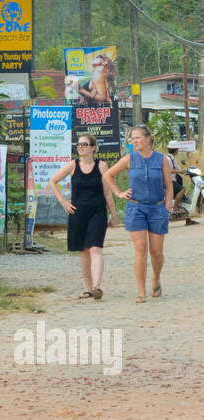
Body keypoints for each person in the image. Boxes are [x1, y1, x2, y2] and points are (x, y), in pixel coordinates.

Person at [103, 124, 173, 303]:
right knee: (141, 249)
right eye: (132, 138)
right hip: (136, 208)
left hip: (157, 208)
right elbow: (108, 175)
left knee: (156, 252)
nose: (134, 141)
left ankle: (156, 280)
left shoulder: (162, 159)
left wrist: (167, 207)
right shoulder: (129, 159)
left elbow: (169, 185)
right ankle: (141, 291)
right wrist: (119, 193)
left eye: (137, 137)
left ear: (148, 138)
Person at [49, 134, 116, 299]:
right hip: (78, 213)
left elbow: (107, 193)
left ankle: (97, 286)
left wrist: (113, 214)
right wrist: (64, 202)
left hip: (97, 212)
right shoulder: (73, 166)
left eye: (85, 144)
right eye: (78, 145)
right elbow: (52, 182)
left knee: (96, 248)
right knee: (84, 251)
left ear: (93, 147)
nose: (81, 147)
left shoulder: (102, 166)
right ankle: (88, 288)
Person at [166, 140, 186, 215]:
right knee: (182, 189)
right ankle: (175, 209)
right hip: (169, 181)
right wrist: (179, 171)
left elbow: (178, 169)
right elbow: (168, 170)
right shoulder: (168, 159)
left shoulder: (173, 159)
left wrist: (186, 170)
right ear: (176, 150)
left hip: (173, 180)